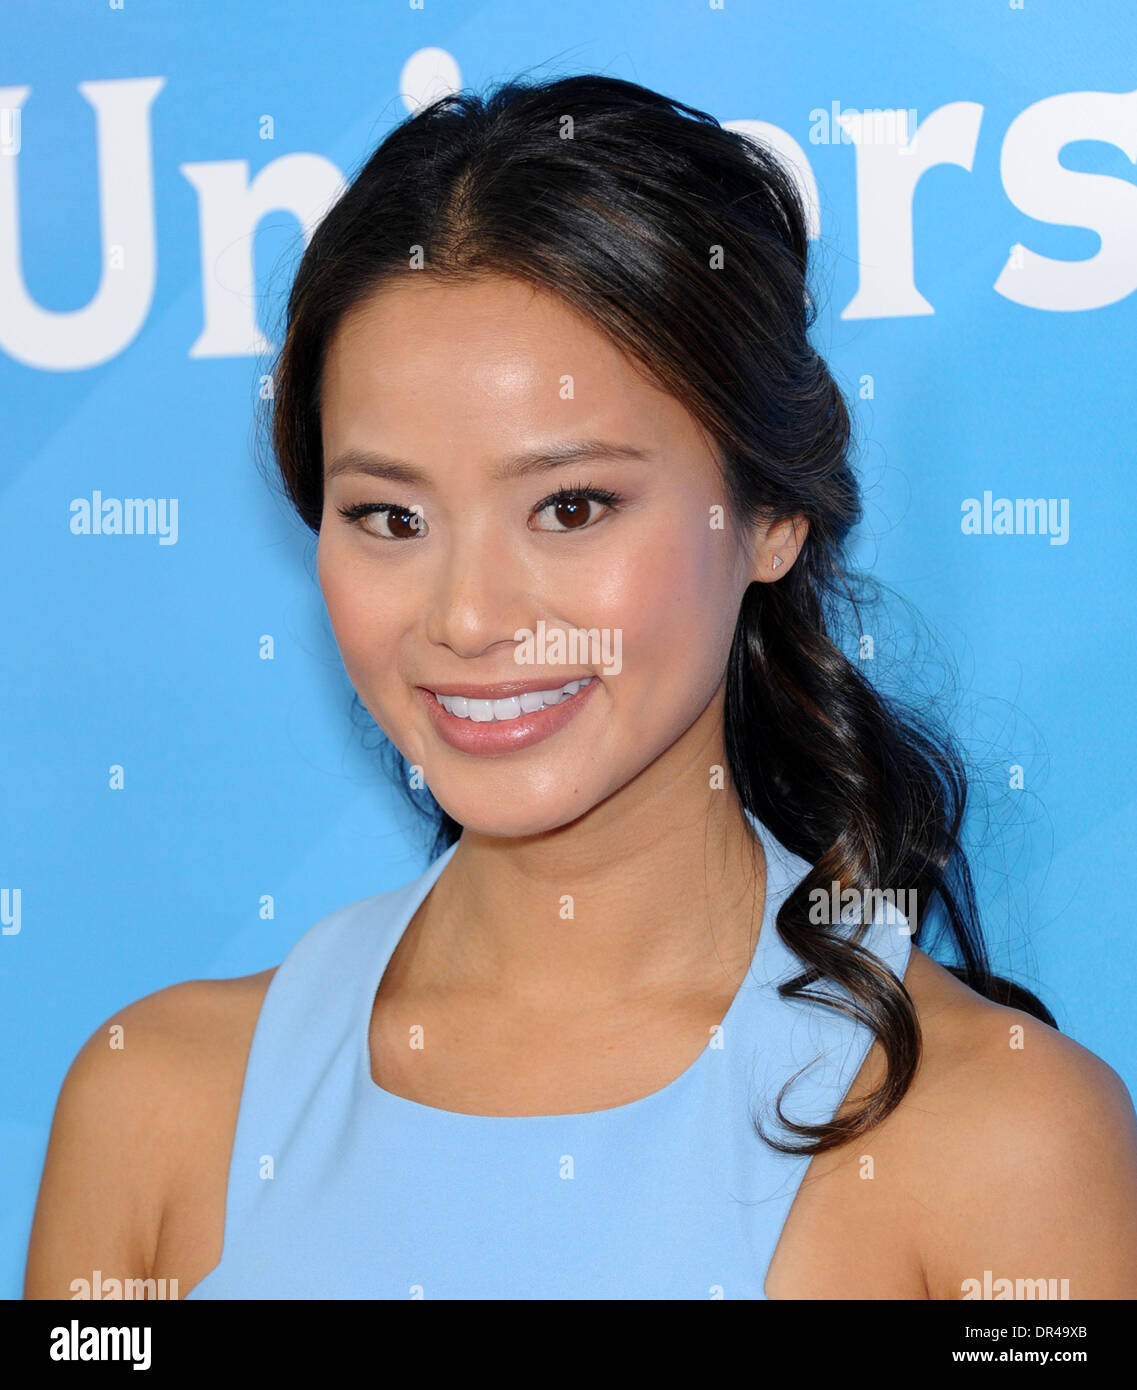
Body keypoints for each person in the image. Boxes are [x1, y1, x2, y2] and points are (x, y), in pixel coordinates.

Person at [24, 74, 1137, 1300]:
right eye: (389, 515)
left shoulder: (1004, 1144)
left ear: (771, 516)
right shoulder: (153, 1107)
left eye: (570, 506)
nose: (466, 617)